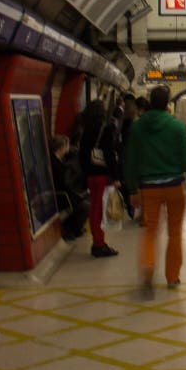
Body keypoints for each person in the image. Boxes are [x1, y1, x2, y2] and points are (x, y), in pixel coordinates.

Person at [125, 85, 186, 289]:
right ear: (168, 103)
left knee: (150, 230)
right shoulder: (177, 126)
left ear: (149, 102)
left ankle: (148, 265)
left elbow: (131, 160)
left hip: (149, 188)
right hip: (175, 186)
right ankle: (172, 277)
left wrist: (132, 189)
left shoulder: (138, 127)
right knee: (175, 233)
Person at [77, 100, 120, 258]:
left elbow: (81, 154)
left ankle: (98, 241)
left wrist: (86, 171)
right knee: (99, 211)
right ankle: (99, 244)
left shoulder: (86, 130)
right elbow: (109, 155)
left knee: (95, 208)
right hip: (102, 176)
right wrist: (115, 176)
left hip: (90, 176)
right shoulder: (106, 129)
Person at [49, 135, 89, 241]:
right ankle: (69, 229)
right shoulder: (56, 164)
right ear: (62, 147)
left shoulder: (56, 160)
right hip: (62, 195)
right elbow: (63, 184)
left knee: (85, 200)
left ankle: (75, 229)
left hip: (63, 192)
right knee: (85, 206)